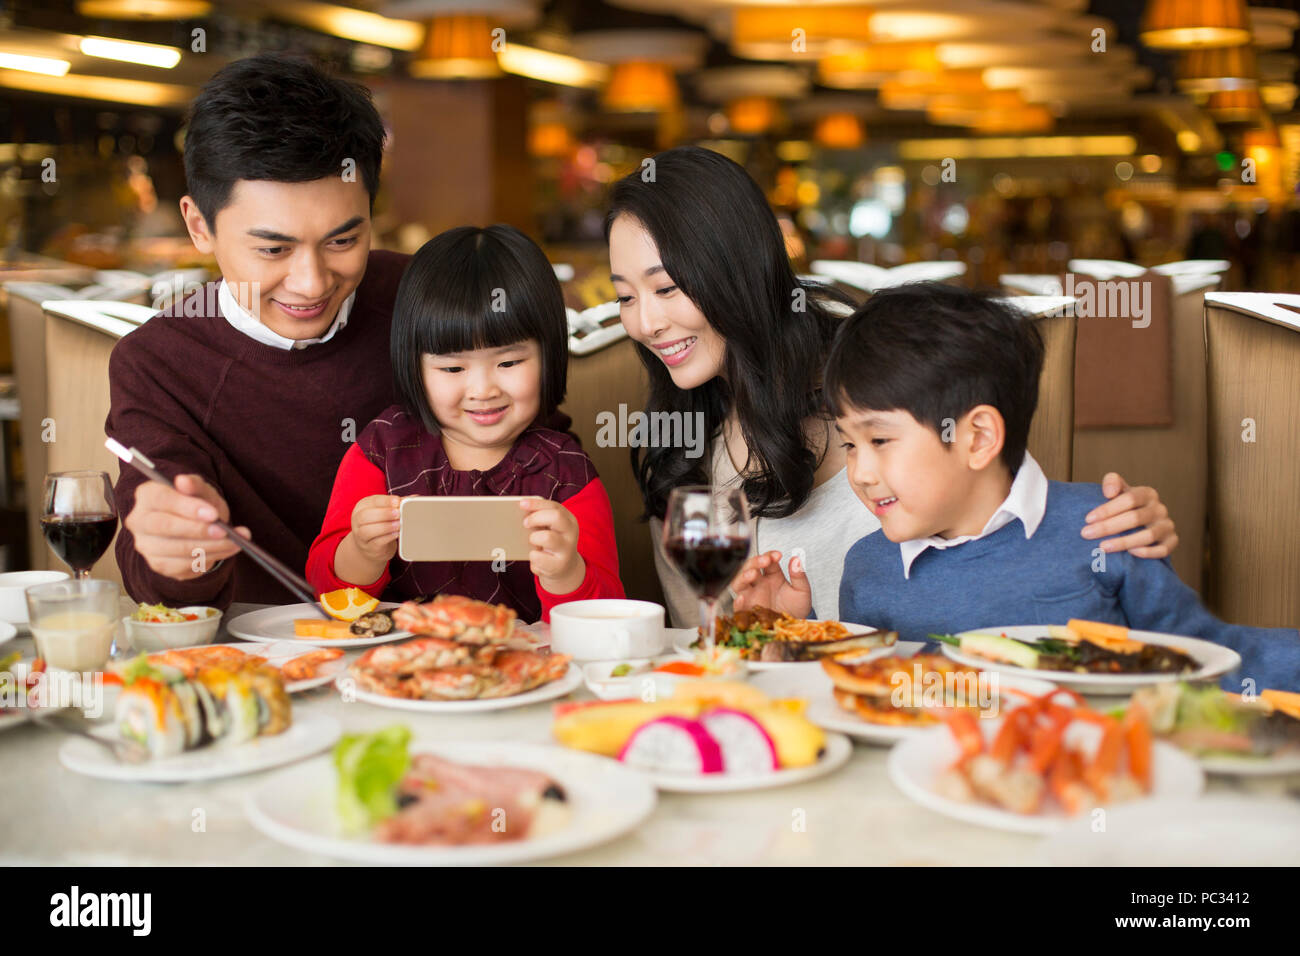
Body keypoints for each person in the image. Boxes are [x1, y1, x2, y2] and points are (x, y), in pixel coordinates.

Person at [606, 146, 1180, 627]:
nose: (645, 323)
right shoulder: (682, 444)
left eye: (667, 288)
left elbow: (1008, 517)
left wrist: (1116, 529)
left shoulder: (874, 374)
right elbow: (709, 646)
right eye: (625, 296)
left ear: (733, 270)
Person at [740, 283, 1300, 691]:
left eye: (880, 441)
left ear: (978, 437)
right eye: (849, 444)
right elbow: (859, 689)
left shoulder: (1107, 530)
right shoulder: (869, 567)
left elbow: (1210, 659)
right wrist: (790, 630)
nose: (859, 472)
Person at [106, 53, 408, 608]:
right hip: (264, 661)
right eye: (273, 248)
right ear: (200, 227)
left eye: (343, 241)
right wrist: (175, 548)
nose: (312, 282)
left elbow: (542, 457)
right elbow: (161, 588)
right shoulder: (159, 362)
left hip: (443, 651)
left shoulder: (424, 299)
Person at [306, 226, 624, 623]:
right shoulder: (380, 452)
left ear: (550, 355)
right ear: (414, 364)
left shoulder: (566, 473)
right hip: (401, 670)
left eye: (509, 363)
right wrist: (362, 551)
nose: (482, 389)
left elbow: (607, 615)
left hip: (527, 674)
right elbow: (329, 594)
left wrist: (566, 571)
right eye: (452, 367)